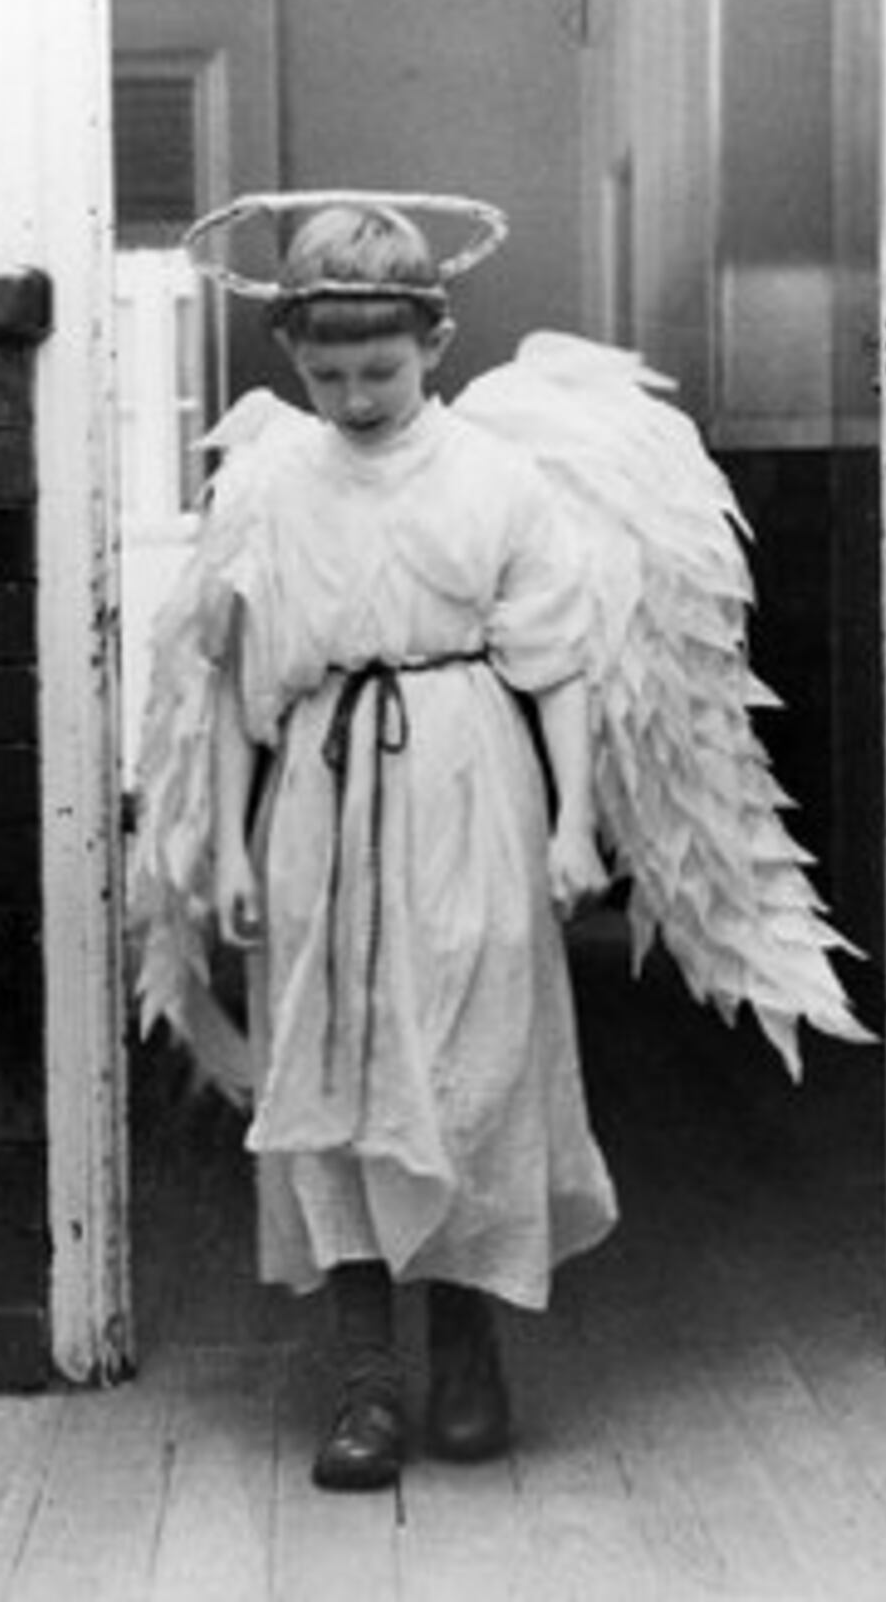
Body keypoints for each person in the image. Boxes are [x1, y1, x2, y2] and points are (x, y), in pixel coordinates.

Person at [191, 199, 616, 1492]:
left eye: (380, 369)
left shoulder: (496, 479)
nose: (356, 398)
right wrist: (230, 848)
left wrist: (575, 820)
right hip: (319, 790)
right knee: (338, 1067)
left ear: (434, 343)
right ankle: (366, 1380)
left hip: (466, 774)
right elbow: (239, 683)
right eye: (327, 377)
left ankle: (469, 1349)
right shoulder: (269, 486)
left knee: (473, 1059)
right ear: (294, 360)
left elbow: (557, 660)